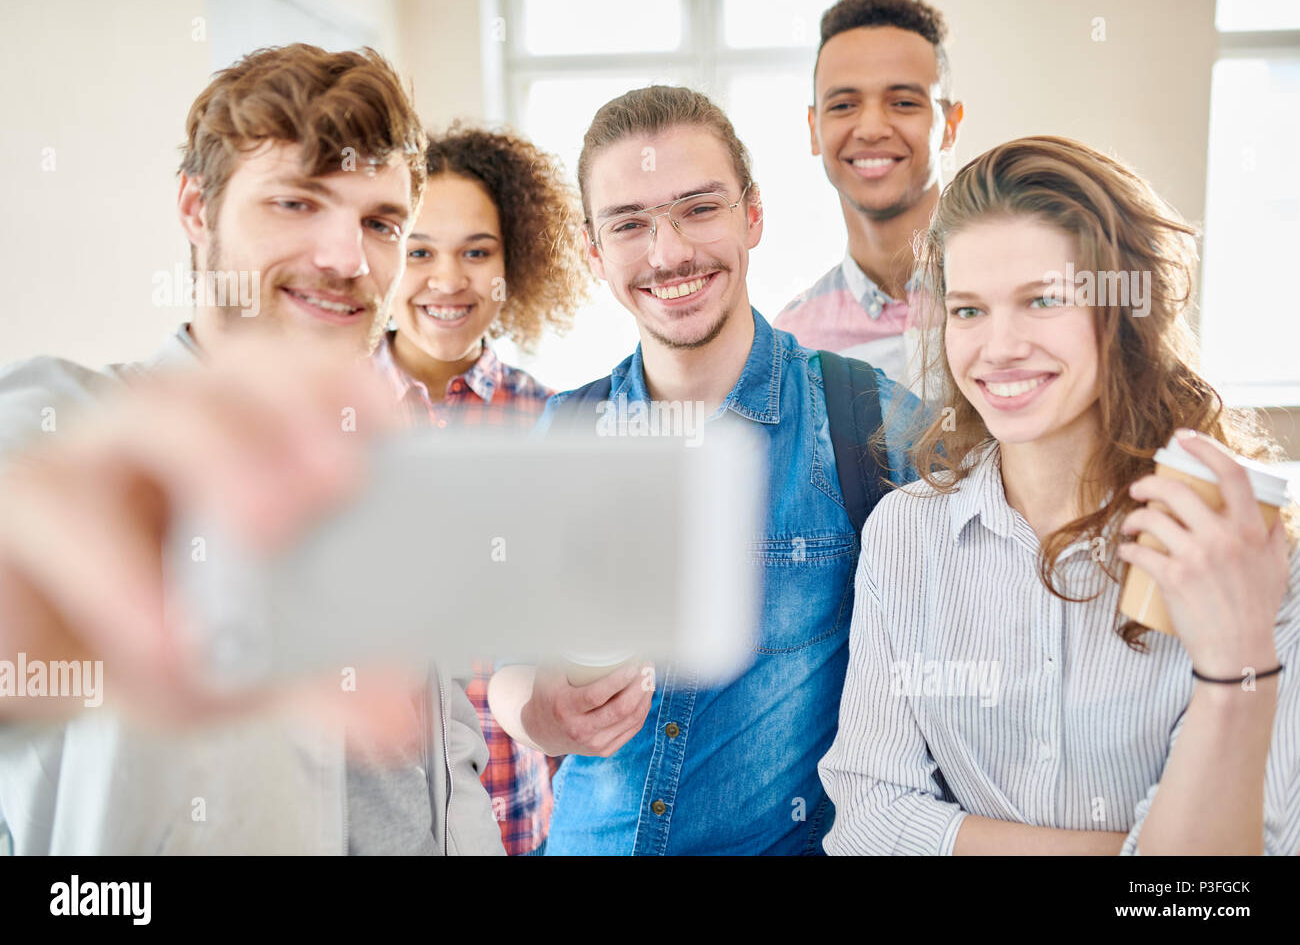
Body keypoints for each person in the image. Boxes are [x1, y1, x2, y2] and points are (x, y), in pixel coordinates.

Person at [0, 44, 504, 854]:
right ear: (197, 209)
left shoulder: (393, 475)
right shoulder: (71, 425)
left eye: (379, 223)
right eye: (296, 203)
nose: (347, 260)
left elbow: (445, 766)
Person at [819, 135, 1300, 855]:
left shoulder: (1246, 547)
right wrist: (1130, 851)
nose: (1000, 346)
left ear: (1124, 314)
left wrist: (1235, 656)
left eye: (1043, 300)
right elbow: (868, 822)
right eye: (970, 310)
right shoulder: (904, 535)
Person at [487, 85, 922, 855]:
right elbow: (513, 664)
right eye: (629, 225)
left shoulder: (868, 421)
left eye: (699, 208)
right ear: (595, 254)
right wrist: (542, 713)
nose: (669, 253)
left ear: (752, 216)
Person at [372, 125, 588, 853]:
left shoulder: (554, 425)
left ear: (513, 262)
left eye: (477, 251)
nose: (447, 279)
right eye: (418, 250)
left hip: (520, 821)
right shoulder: (321, 422)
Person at [774, 0, 963, 389]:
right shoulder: (793, 346)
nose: (872, 128)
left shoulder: (1012, 297)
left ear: (949, 125)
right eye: (843, 105)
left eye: (904, 102)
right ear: (814, 129)